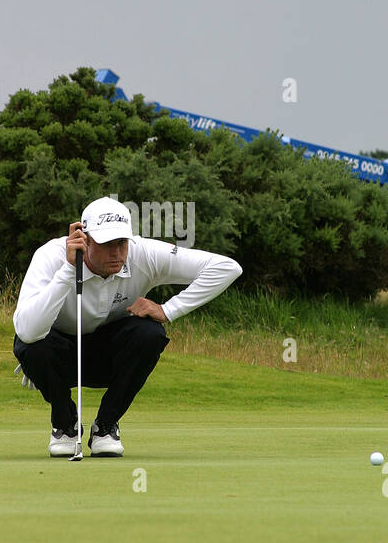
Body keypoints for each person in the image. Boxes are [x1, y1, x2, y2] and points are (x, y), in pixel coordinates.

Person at [13, 196, 243, 457]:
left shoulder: (143, 253)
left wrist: (168, 310)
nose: (117, 252)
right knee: (30, 344)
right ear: (84, 240)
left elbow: (227, 268)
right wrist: (68, 270)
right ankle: (65, 425)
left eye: (121, 243)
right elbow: (27, 331)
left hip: (109, 358)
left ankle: (106, 426)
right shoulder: (50, 256)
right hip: (60, 357)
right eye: (106, 244)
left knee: (150, 333)